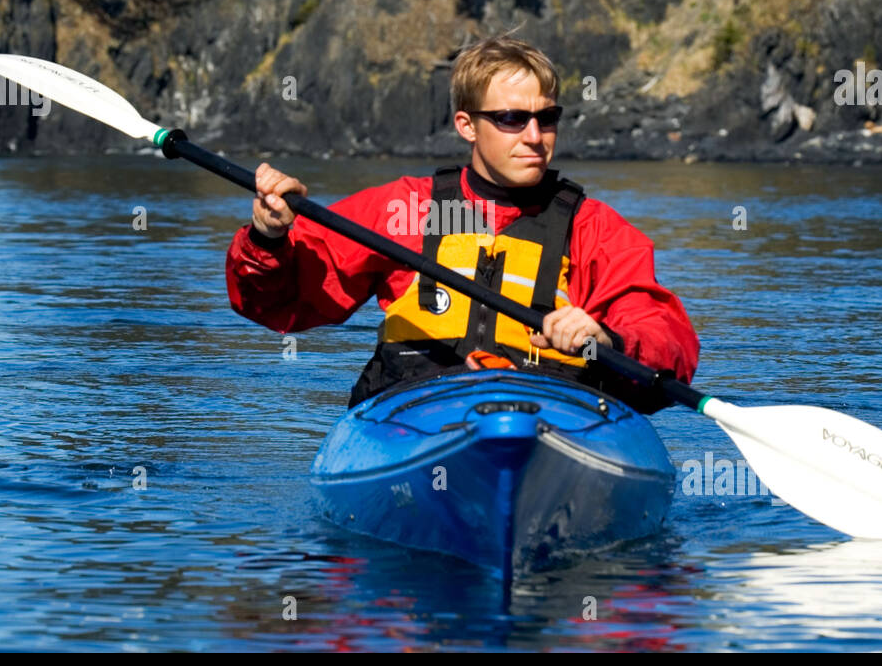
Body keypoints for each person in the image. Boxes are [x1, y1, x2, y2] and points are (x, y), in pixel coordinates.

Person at [226, 35, 699, 412]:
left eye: (547, 118)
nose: (534, 137)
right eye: (512, 119)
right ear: (467, 126)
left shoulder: (594, 228)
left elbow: (665, 337)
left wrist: (607, 339)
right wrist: (269, 237)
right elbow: (280, 302)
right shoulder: (403, 208)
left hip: (548, 422)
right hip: (414, 416)